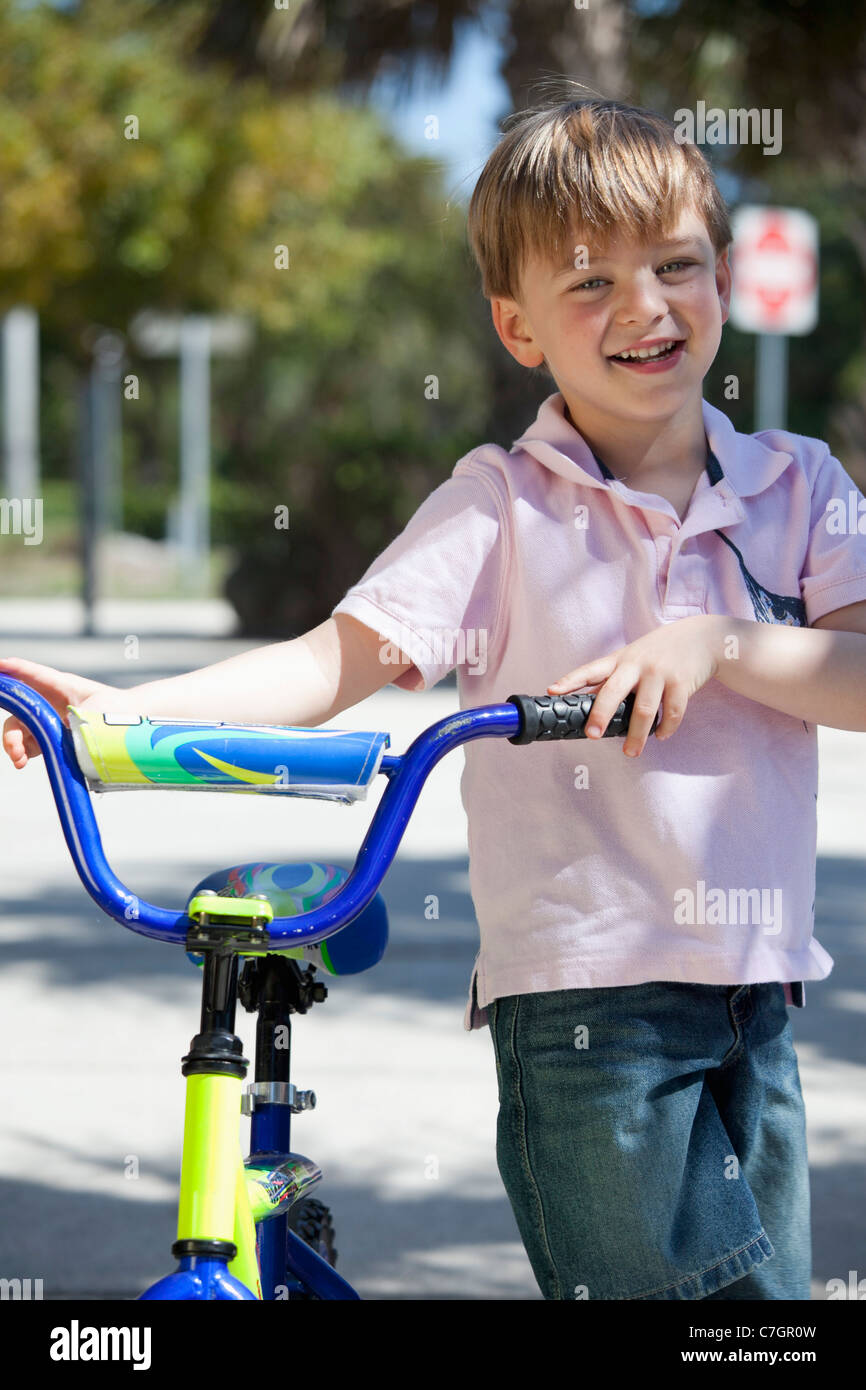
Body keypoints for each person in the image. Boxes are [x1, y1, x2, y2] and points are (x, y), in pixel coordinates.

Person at [3, 97, 866, 1301]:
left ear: (720, 272)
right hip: (585, 1010)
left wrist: (716, 642)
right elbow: (328, 662)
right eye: (588, 284)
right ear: (517, 328)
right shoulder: (498, 504)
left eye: (674, 265)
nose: (644, 306)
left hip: (756, 991)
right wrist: (127, 711)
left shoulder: (797, 483)